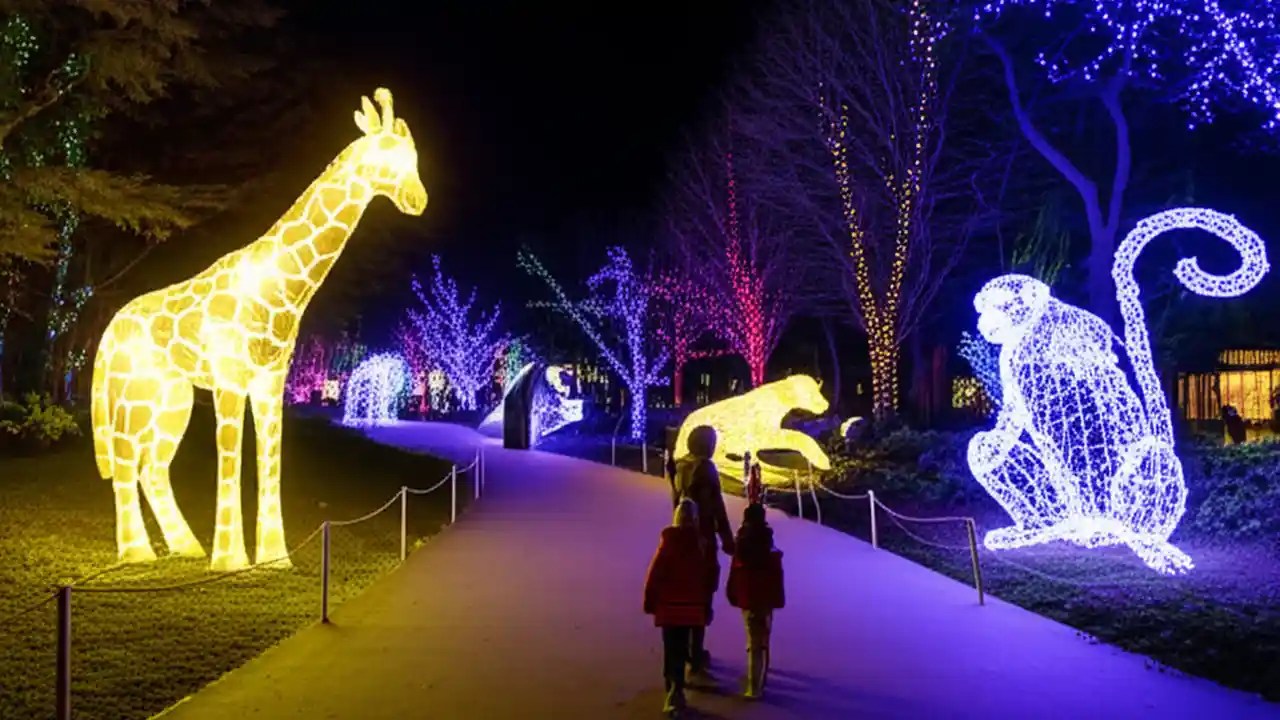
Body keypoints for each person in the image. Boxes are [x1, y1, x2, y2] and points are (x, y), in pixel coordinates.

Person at [669, 425, 735, 676]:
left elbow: (676, 501)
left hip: (681, 533)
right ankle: (696, 652)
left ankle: (687, 650)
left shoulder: (679, 465)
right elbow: (716, 506)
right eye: (712, 441)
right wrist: (727, 538)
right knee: (703, 593)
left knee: (684, 593)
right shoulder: (705, 468)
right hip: (703, 538)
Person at [644, 498, 709, 716]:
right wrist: (704, 606)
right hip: (690, 608)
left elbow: (656, 573)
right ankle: (677, 689)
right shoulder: (700, 544)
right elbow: (704, 578)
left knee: (671, 648)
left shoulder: (668, 541)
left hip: (669, 607)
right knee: (681, 649)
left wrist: (649, 600)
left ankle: (671, 691)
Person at [726, 503, 785, 700]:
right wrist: (778, 599)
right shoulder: (769, 546)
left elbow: (735, 573)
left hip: (748, 598)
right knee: (764, 638)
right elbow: (777, 576)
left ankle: (753, 685)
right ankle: (762, 679)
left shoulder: (741, 545)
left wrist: (733, 593)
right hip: (766, 598)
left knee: (752, 639)